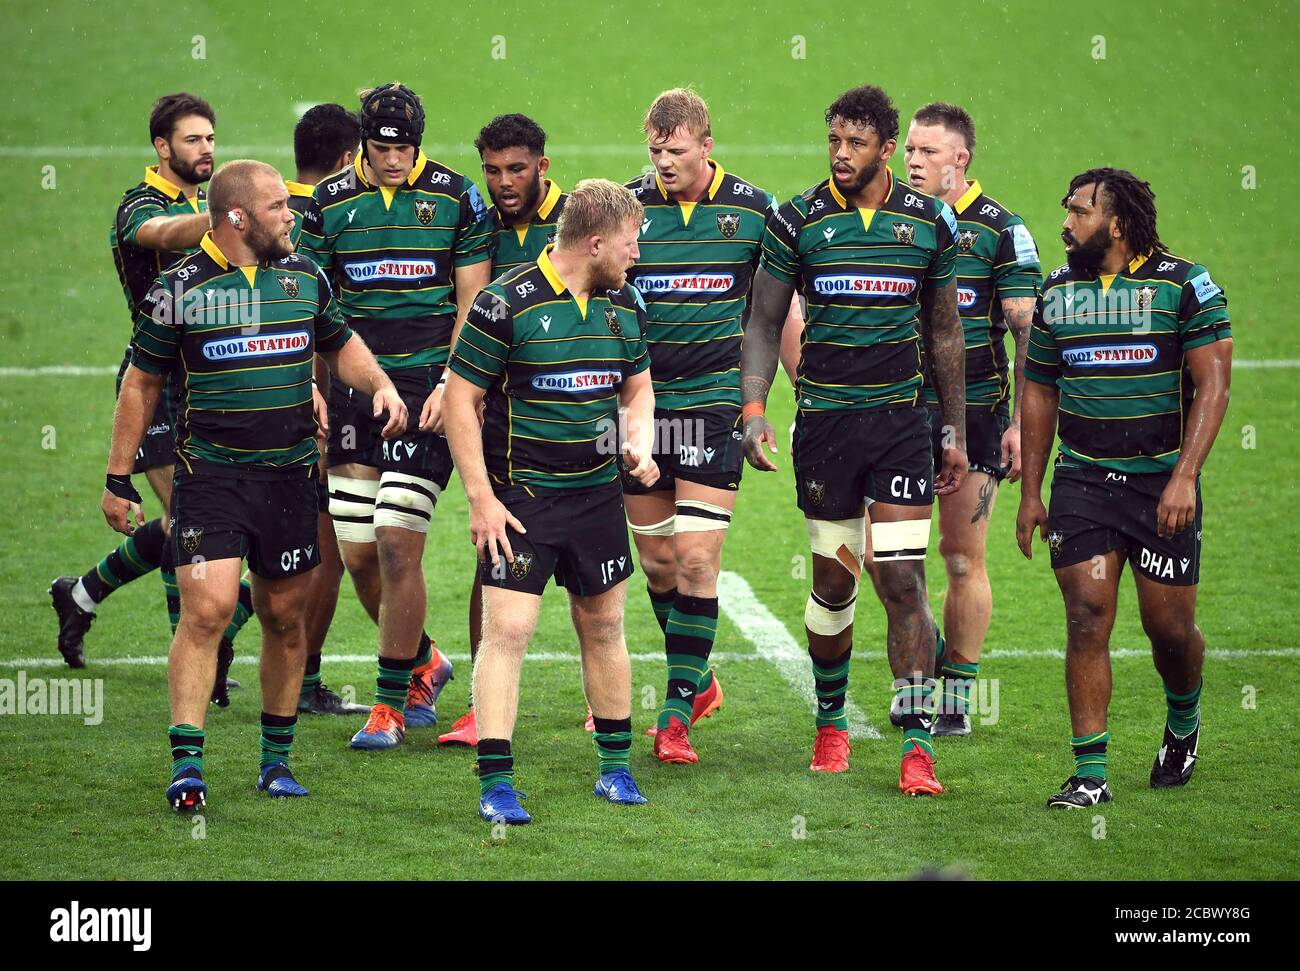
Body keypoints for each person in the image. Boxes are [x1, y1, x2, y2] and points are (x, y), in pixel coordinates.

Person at [103, 159, 405, 810]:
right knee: (208, 609)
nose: (290, 216)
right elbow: (142, 382)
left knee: (283, 614)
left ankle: (276, 760)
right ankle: (187, 765)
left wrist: (377, 382)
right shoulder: (178, 288)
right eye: (277, 207)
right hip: (210, 476)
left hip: (292, 475)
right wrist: (117, 476)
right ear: (238, 217)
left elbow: (339, 343)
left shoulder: (303, 276)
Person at [738, 85, 968, 796]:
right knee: (834, 582)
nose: (840, 154)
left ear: (886, 148)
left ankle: (917, 742)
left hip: (901, 427)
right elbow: (763, 321)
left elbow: (944, 333)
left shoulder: (929, 221)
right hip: (827, 430)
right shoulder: (796, 220)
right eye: (833, 140)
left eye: (855, 143)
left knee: (903, 579)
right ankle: (832, 721)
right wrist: (753, 407)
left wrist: (953, 425)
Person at [443, 179, 657, 824]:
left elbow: (638, 391)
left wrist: (638, 441)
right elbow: (460, 399)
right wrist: (481, 500)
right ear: (595, 243)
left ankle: (616, 769)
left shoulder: (625, 306)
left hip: (595, 497)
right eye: (629, 243)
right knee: (508, 631)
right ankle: (496, 781)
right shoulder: (503, 303)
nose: (637, 255)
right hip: (522, 500)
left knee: (605, 626)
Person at [1016, 168, 1231, 808]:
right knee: (1086, 618)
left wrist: (1184, 478)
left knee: (1169, 630)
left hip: (1161, 487)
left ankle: (1183, 719)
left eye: (1079, 212)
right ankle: (1090, 775)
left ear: (1117, 222)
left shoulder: (1184, 285)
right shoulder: (1056, 291)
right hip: (1083, 481)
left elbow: (1214, 386)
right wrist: (1032, 491)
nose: (1066, 223)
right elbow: (1039, 391)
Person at [299, 83, 494, 749]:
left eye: (405, 149)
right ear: (362, 144)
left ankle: (386, 706)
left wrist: (451, 381)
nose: (394, 161)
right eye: (381, 150)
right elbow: (312, 308)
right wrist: (312, 386)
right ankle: (426, 661)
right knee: (356, 557)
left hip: (425, 392)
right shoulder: (327, 206)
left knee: (395, 536)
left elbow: (473, 301)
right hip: (355, 391)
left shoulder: (456, 196)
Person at [620, 88, 804, 764]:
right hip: (637, 408)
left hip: (711, 402)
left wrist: (787, 395)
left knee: (697, 557)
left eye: (676, 150)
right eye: (655, 150)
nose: (664, 162)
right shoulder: (628, 206)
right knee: (658, 561)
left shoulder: (756, 212)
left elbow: (777, 312)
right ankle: (698, 678)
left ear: (707, 144)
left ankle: (673, 714)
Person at [50, 92, 250, 703]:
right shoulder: (144, 203)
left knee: (185, 524)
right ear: (162, 147)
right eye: (192, 140)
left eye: (211, 138)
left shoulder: (197, 200)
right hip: (156, 385)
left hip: (205, 385)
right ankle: (199, 663)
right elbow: (156, 232)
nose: (206, 149)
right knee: (191, 526)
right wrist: (223, 217)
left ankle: (81, 594)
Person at [900, 102, 1041, 735]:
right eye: (909, 151)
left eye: (928, 153)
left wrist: (1019, 424)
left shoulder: (1002, 231)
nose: (913, 162)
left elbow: (1027, 334)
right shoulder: (896, 224)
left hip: (976, 413)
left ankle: (955, 693)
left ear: (961, 159)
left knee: (960, 558)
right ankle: (922, 662)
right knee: (893, 564)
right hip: (895, 413)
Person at [438, 112, 568, 747]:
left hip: (575, 414)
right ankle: (475, 703)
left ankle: (624, 695)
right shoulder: (479, 225)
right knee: (491, 546)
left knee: (602, 565)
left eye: (516, 169)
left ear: (543, 165)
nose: (504, 182)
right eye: (492, 170)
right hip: (505, 422)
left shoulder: (576, 225)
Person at [285, 102, 369, 716]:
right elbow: (322, 329)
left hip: (267, 404)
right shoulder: (322, 217)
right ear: (348, 159)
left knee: (314, 547)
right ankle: (296, 679)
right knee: (320, 551)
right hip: (311, 407)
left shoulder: (268, 210)